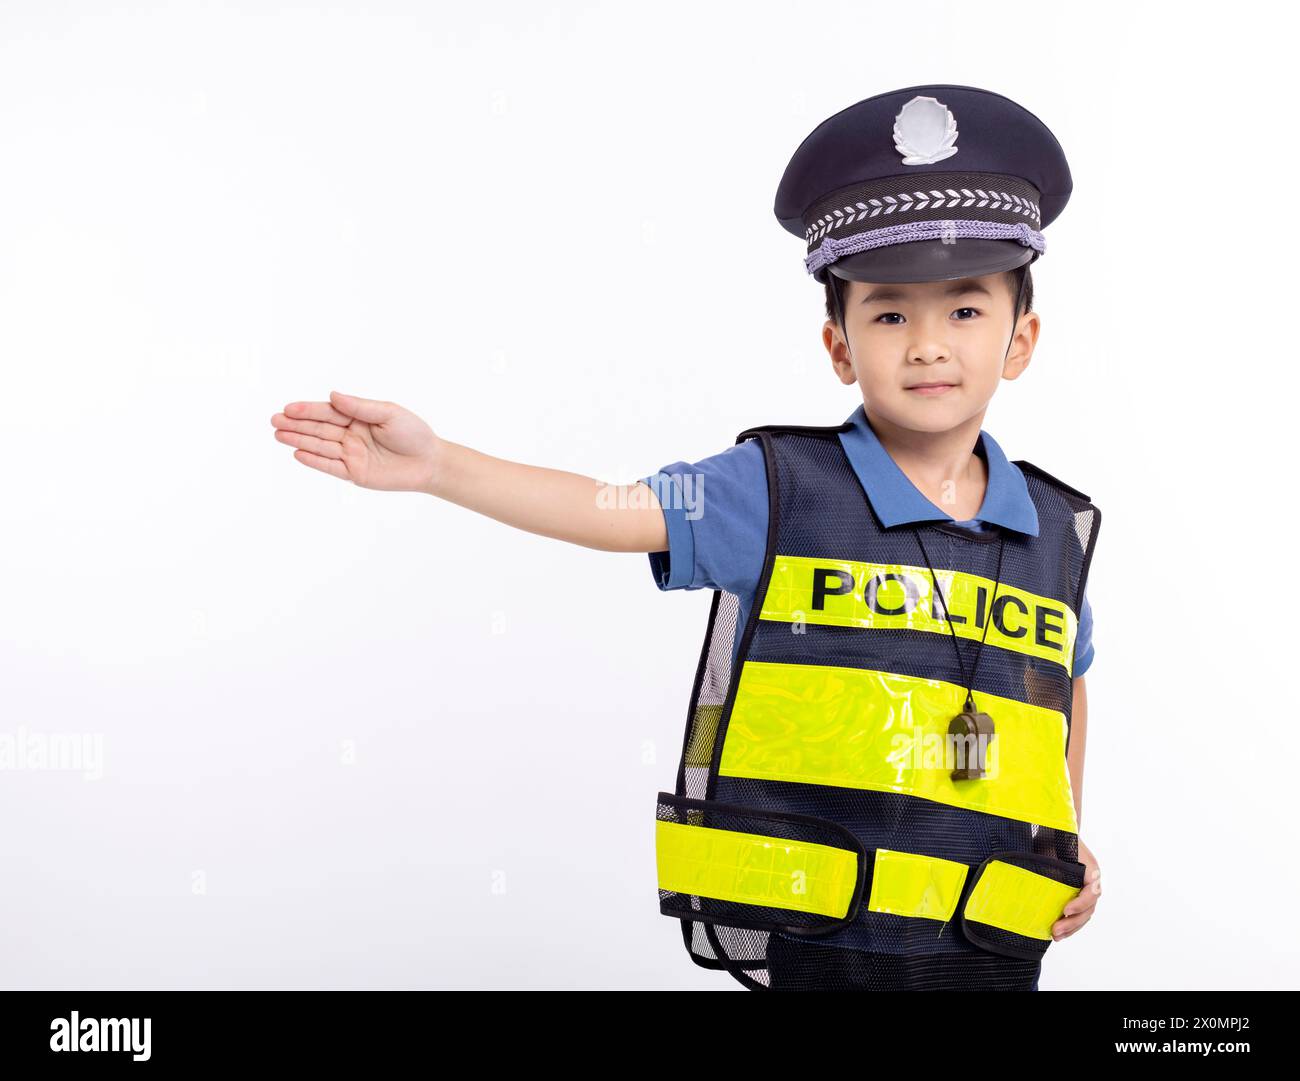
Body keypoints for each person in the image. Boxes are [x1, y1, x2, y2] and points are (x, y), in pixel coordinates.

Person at [269, 83, 1103, 992]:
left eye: (965, 310)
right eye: (890, 313)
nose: (928, 345)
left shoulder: (1056, 530)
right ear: (839, 345)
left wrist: (1066, 837)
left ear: (1021, 340)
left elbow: (1063, 683)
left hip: (988, 953)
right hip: (823, 949)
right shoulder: (775, 491)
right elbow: (611, 506)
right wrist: (440, 466)